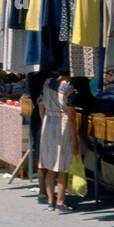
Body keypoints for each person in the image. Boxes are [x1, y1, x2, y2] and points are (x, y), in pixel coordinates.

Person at [37, 69, 76, 210]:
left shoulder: (47, 83)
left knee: (49, 166)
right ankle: (60, 201)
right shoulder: (69, 88)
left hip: (48, 124)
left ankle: (50, 201)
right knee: (62, 167)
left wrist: (44, 121)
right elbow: (71, 116)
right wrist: (75, 138)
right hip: (62, 125)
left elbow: (41, 104)